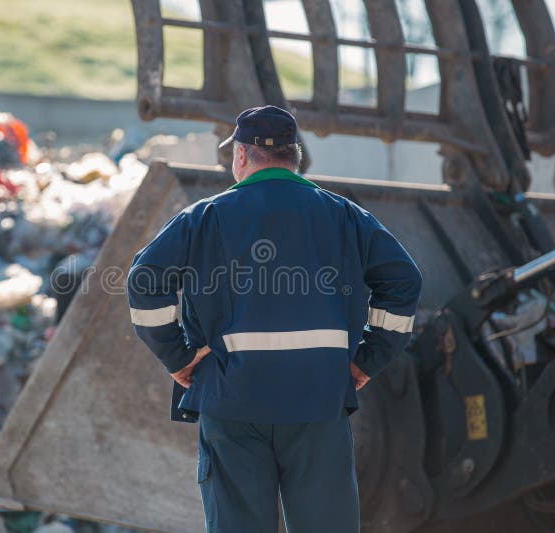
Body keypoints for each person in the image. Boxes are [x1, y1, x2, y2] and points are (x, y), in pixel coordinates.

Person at [127, 105, 422, 532]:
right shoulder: (344, 216)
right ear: (295, 156)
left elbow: (144, 281)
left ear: (241, 156)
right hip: (318, 400)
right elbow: (404, 282)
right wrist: (366, 359)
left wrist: (178, 356)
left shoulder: (205, 217)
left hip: (231, 401)